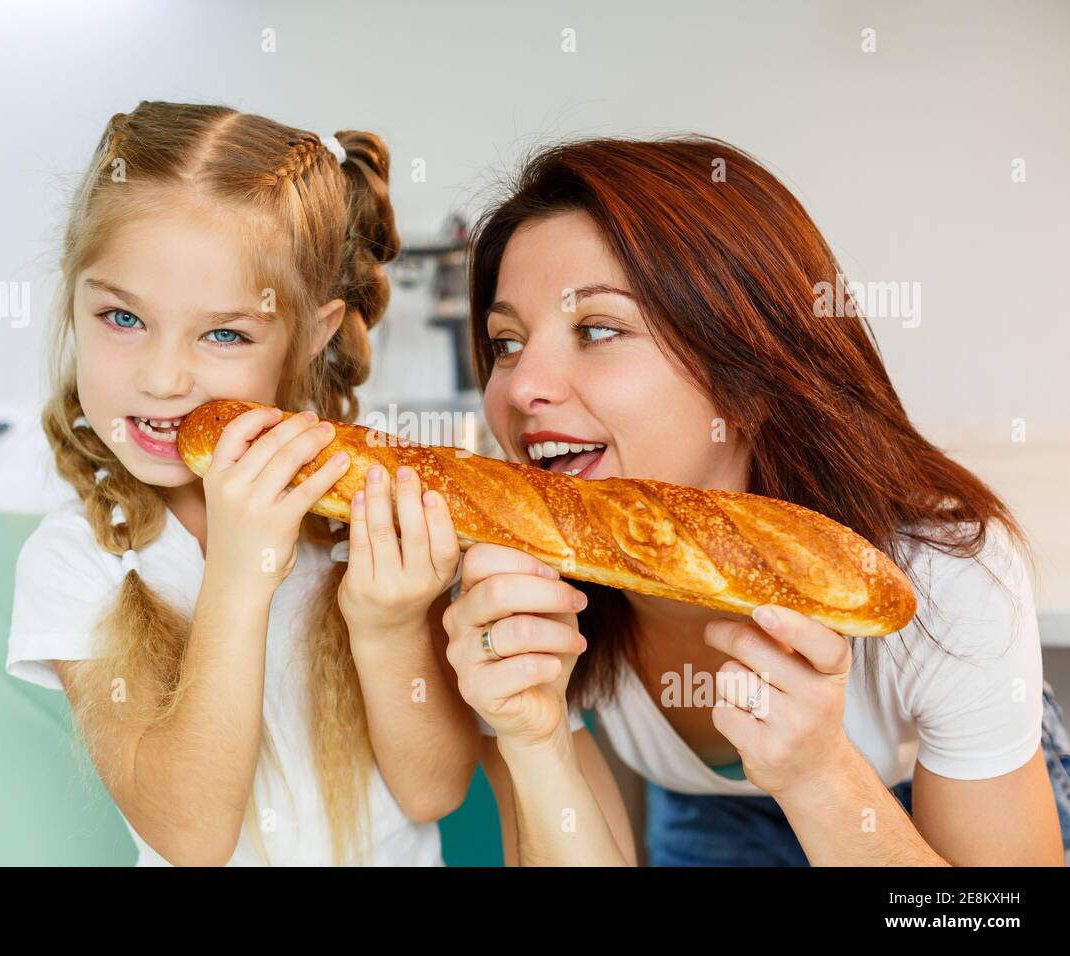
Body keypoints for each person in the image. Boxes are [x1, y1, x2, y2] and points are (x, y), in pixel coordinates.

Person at [442, 135, 1070, 865]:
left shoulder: (945, 576)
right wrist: (534, 740)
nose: (520, 387)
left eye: (598, 329)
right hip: (710, 807)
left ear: (746, 380)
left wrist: (819, 774)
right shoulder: (515, 585)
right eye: (506, 341)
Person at [6, 102, 477, 866]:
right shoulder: (74, 562)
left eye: (224, 333)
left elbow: (434, 792)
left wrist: (390, 627)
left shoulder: (368, 526)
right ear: (72, 294)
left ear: (315, 334)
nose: (163, 379)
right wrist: (238, 574)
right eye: (121, 317)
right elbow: (190, 836)